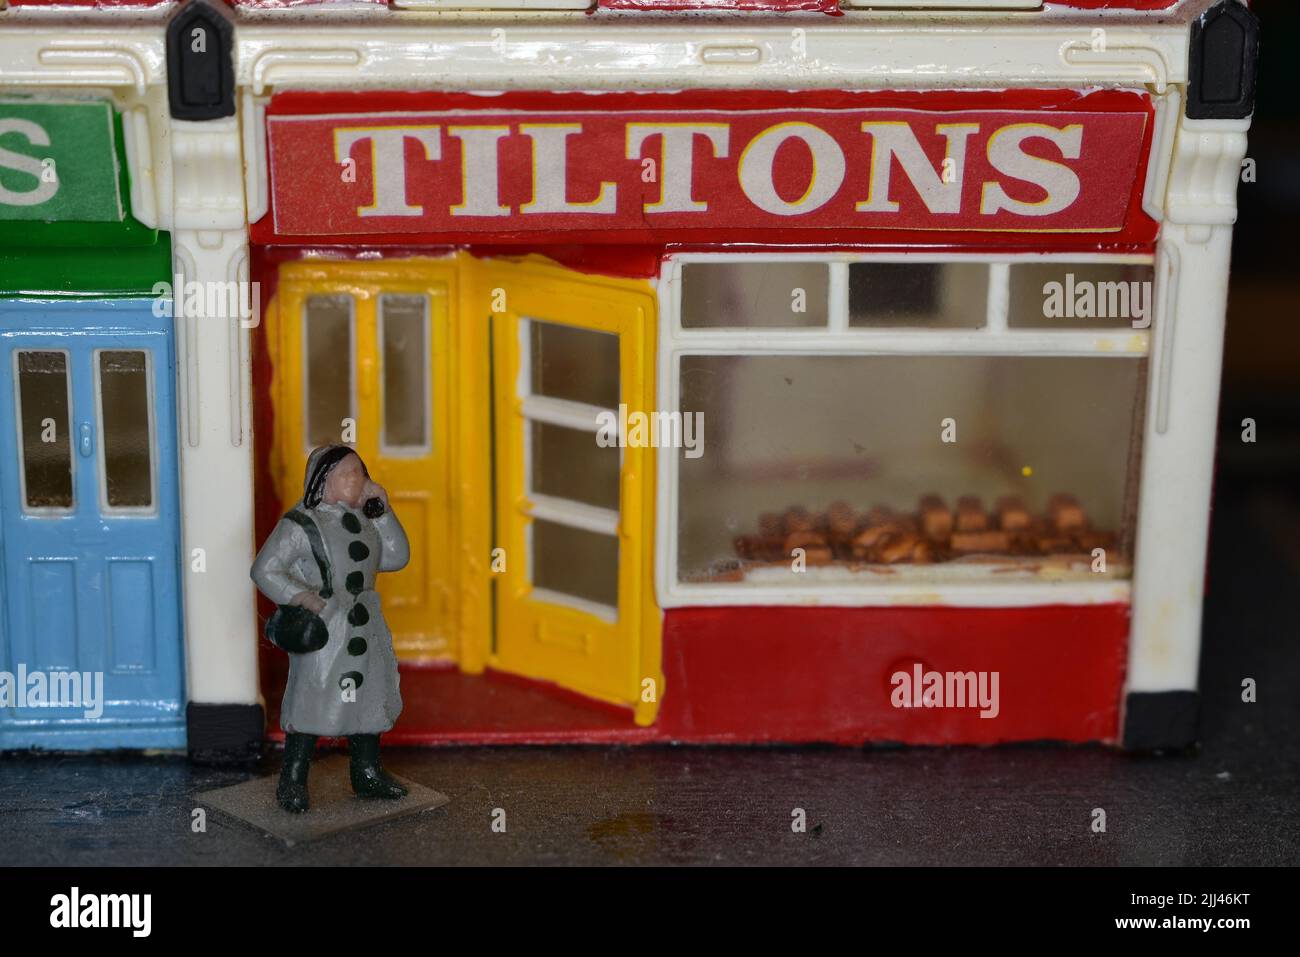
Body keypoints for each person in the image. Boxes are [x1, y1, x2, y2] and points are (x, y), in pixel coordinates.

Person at [251, 444, 410, 813]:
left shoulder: (366, 519)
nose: (360, 481)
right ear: (325, 481)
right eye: (351, 474)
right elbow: (265, 569)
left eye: (361, 472)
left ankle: (366, 772)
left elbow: (397, 556)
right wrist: (300, 596)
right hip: (329, 626)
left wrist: (383, 511)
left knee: (369, 698)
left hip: (365, 625)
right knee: (312, 699)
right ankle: (292, 777)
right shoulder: (300, 524)